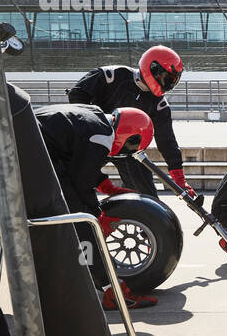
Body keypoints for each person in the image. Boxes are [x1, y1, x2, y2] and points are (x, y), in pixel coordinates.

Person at [35, 103, 157, 310]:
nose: (126, 151)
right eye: (131, 146)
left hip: (26, 147)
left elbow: (74, 157)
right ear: (129, 135)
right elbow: (80, 185)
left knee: (75, 217)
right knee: (83, 221)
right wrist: (97, 215)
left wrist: (104, 185)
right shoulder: (102, 136)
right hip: (31, 154)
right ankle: (113, 292)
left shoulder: (96, 117)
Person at [66, 45, 194, 198]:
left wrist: (179, 179)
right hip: (96, 141)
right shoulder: (111, 76)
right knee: (75, 182)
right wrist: (96, 125)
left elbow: (167, 141)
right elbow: (77, 94)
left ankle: (145, 217)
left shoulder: (159, 105)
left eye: (173, 81)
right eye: (167, 78)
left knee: (148, 196)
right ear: (152, 68)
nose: (168, 85)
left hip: (127, 148)